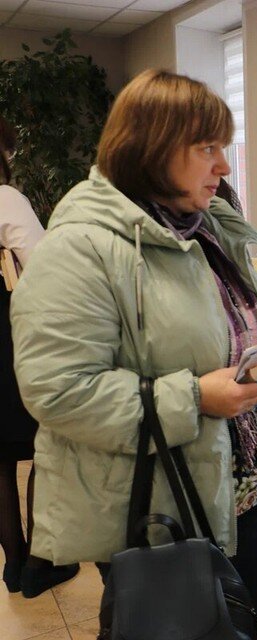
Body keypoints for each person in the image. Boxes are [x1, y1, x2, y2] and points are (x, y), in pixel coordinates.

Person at [10, 69, 257, 632]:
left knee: (245, 629)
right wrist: (193, 398)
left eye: (223, 147)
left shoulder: (210, 230)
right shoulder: (81, 248)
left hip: (253, 498)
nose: (225, 166)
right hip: (169, 515)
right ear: (151, 148)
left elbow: (237, 343)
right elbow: (56, 390)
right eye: (207, 148)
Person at [0, 116, 81, 598]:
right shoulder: (6, 198)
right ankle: (40, 564)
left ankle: (13, 563)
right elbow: (45, 267)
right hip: (9, 336)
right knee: (40, 444)